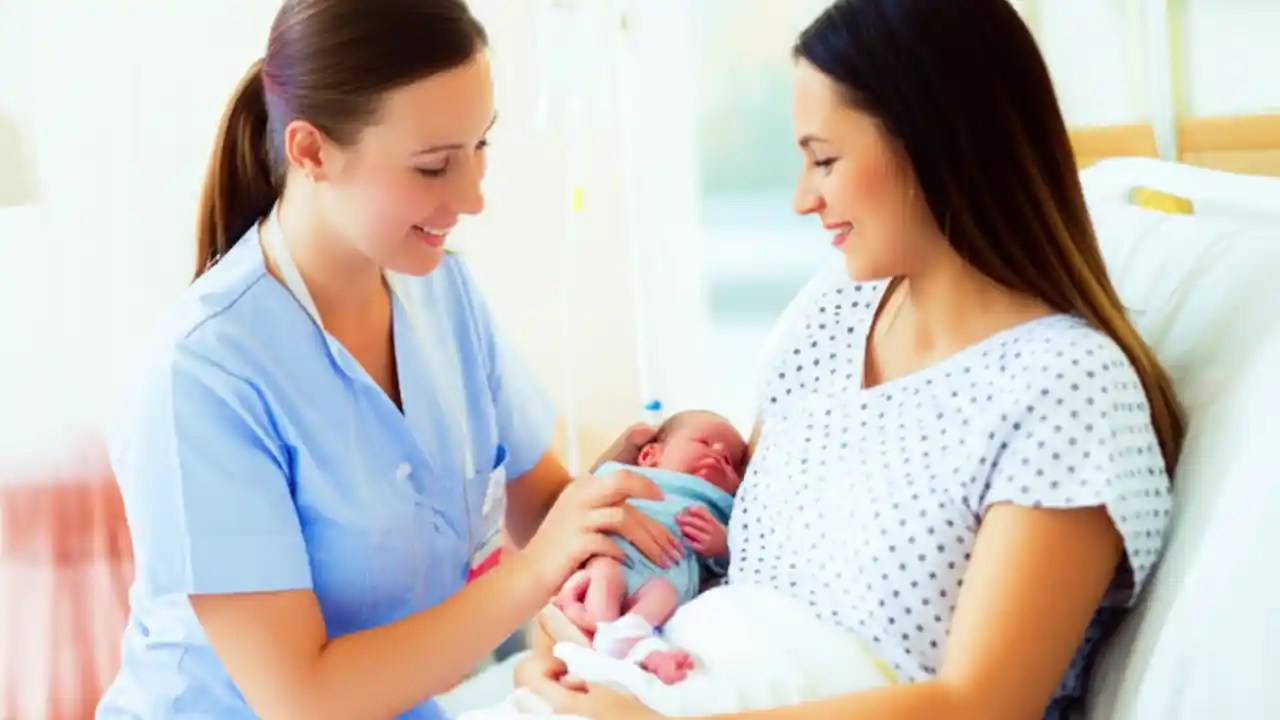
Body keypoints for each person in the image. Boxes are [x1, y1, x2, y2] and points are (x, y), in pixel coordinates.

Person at [516, 1, 1185, 718]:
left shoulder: (1066, 390)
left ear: (938, 141)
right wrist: (568, 643)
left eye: (825, 158)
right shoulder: (831, 315)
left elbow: (982, 705)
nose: (804, 197)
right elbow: (725, 571)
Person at [95, 2, 685, 718]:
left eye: (479, 148)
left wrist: (614, 503)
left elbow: (544, 508)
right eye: (434, 166)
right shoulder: (199, 377)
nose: (472, 196)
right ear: (311, 152)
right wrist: (536, 573)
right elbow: (302, 698)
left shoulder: (446, 297)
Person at [554, 411, 748, 684]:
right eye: (704, 442)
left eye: (731, 461)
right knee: (606, 574)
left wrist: (721, 545)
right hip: (617, 557)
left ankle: (632, 648)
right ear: (649, 456)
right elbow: (578, 503)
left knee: (662, 596)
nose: (718, 453)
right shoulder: (624, 475)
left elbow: (741, 557)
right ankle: (603, 641)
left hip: (663, 581)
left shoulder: (725, 510)